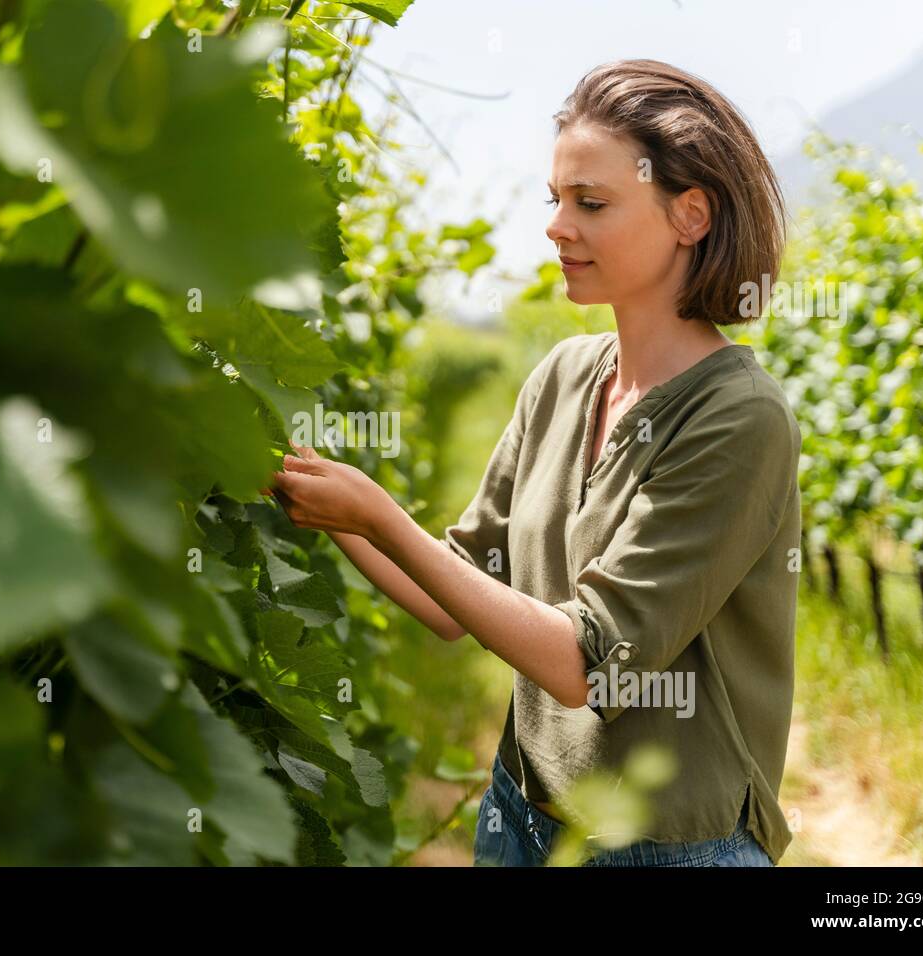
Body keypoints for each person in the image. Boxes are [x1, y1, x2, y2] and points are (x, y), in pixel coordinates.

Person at [266, 59, 799, 868]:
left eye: (592, 203)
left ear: (690, 214)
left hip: (665, 850)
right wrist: (304, 486)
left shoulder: (739, 418)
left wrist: (377, 513)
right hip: (519, 811)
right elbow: (452, 593)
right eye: (555, 200)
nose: (556, 225)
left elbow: (588, 662)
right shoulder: (564, 376)